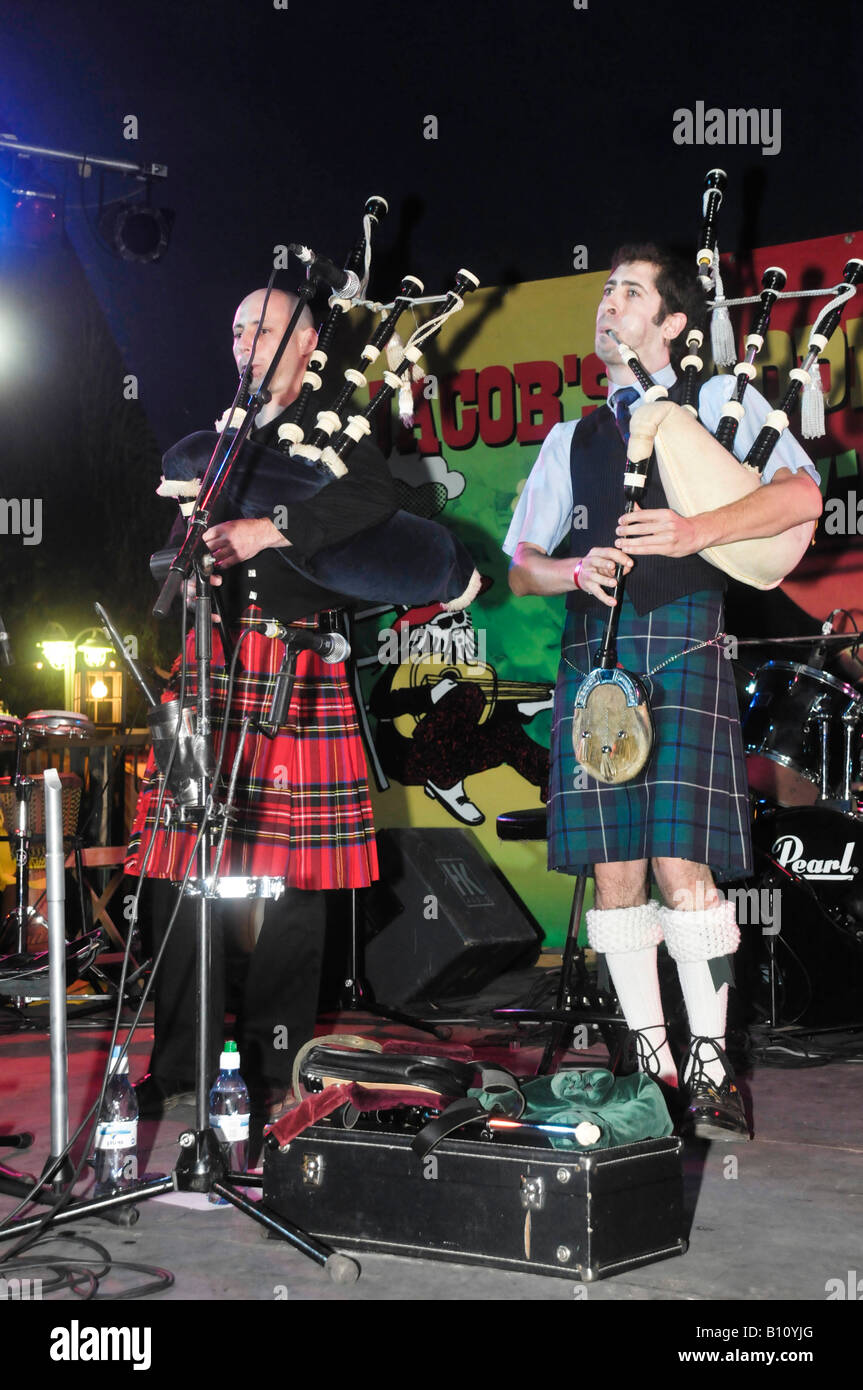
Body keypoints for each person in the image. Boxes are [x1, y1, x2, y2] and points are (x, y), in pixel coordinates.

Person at [504, 245, 823, 1140]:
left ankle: (715, 1070)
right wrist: (571, 569)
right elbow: (521, 565)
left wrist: (694, 530)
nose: (608, 303)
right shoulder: (572, 436)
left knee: (682, 865)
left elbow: (799, 498)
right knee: (615, 874)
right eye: (604, 289)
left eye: (630, 292)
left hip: (682, 644)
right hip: (591, 662)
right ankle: (652, 1067)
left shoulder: (720, 403)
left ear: (674, 322)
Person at [127, 286, 397, 1117]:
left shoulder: (336, 427)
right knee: (183, 868)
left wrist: (268, 527)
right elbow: (174, 547)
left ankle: (277, 1059)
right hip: (210, 665)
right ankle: (180, 1064)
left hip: (297, 660)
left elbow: (377, 501)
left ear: (308, 342)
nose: (246, 338)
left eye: (266, 327)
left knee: (293, 881)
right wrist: (187, 557)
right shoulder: (213, 441)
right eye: (238, 325)